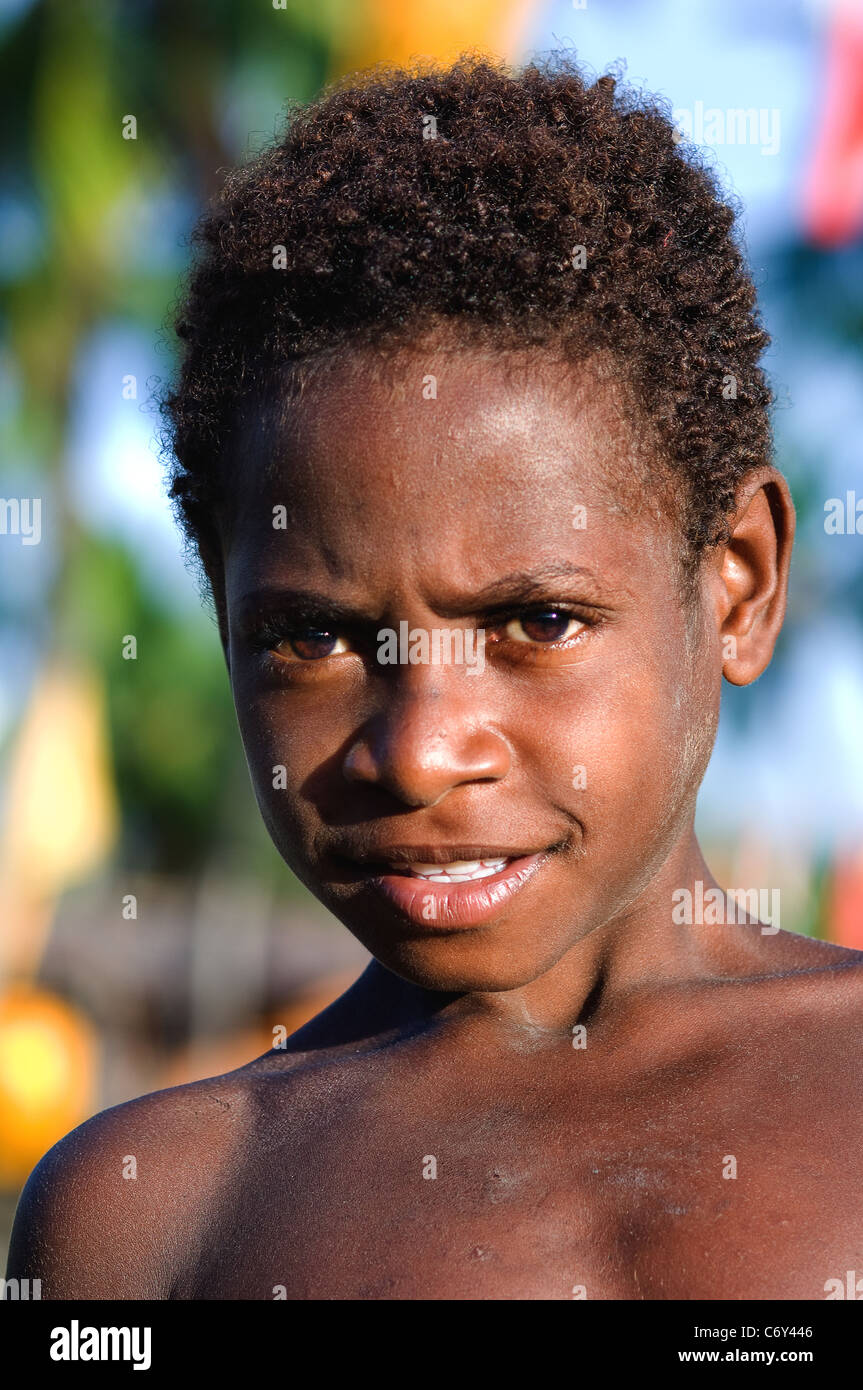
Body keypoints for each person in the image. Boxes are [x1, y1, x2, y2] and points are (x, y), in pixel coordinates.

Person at [8, 54, 863, 1301]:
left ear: (735, 582)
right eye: (313, 638)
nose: (415, 749)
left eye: (537, 619)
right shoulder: (152, 1221)